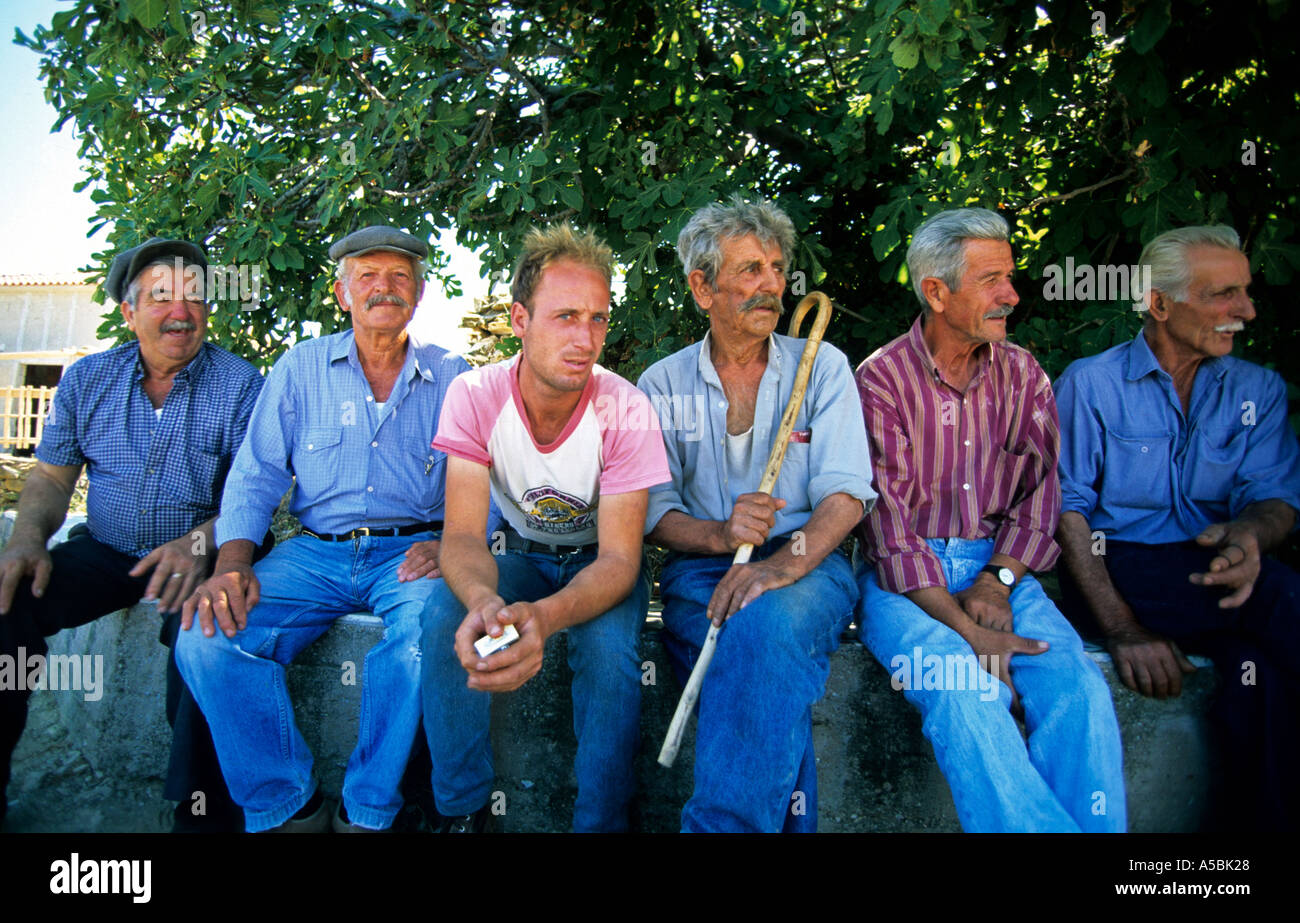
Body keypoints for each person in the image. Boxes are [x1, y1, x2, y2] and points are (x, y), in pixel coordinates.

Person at [176, 226, 469, 832]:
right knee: (205, 638)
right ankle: (287, 806)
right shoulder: (300, 367)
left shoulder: (454, 375)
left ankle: (367, 809)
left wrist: (453, 543)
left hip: (412, 552)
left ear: (418, 294)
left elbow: (484, 476)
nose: (383, 289)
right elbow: (255, 476)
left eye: (398, 277)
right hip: (313, 554)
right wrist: (232, 565)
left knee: (423, 636)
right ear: (343, 294)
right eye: (367, 276)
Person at [855, 207, 1126, 832]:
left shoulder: (1022, 371)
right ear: (936, 292)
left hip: (996, 568)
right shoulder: (881, 380)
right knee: (967, 691)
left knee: (1078, 689)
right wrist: (968, 631)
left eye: (1010, 276)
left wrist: (997, 581)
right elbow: (889, 534)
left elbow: (1040, 494)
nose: (1012, 294)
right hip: (906, 582)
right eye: (991, 280)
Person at [0, 237, 262, 832]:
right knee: (7, 601)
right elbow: (48, 475)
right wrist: (26, 539)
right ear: (129, 311)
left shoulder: (244, 386)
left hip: (206, 554)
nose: (181, 311)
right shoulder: (88, 379)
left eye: (195, 297)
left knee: (208, 635)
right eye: (162, 297)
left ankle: (202, 818)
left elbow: (256, 493)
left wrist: (200, 544)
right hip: (107, 551)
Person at [637, 197, 876, 832]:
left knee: (764, 631)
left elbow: (847, 494)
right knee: (766, 669)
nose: (770, 284)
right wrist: (719, 533)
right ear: (701, 286)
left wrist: (781, 567)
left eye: (776, 268)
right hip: (699, 570)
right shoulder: (660, 385)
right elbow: (652, 511)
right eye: (748, 270)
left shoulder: (822, 368)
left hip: (810, 562)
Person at [421, 223, 669, 833]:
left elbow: (618, 561)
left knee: (610, 653)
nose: (585, 339)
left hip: (597, 567)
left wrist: (545, 618)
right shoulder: (474, 395)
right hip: (520, 555)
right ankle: (462, 809)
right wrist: (485, 602)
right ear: (519, 319)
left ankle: (601, 823)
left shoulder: (626, 408)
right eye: (564, 317)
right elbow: (461, 537)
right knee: (442, 617)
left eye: (598, 318)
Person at [1055, 225, 1300, 830]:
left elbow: (1274, 499)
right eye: (1223, 294)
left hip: (1214, 577)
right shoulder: (1091, 384)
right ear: (1159, 304)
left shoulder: (1257, 389)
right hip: (1118, 571)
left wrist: (1249, 536)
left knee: (1257, 682)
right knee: (1286, 599)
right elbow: (1065, 514)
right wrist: (1122, 629)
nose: (1244, 310)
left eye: (1244, 292)